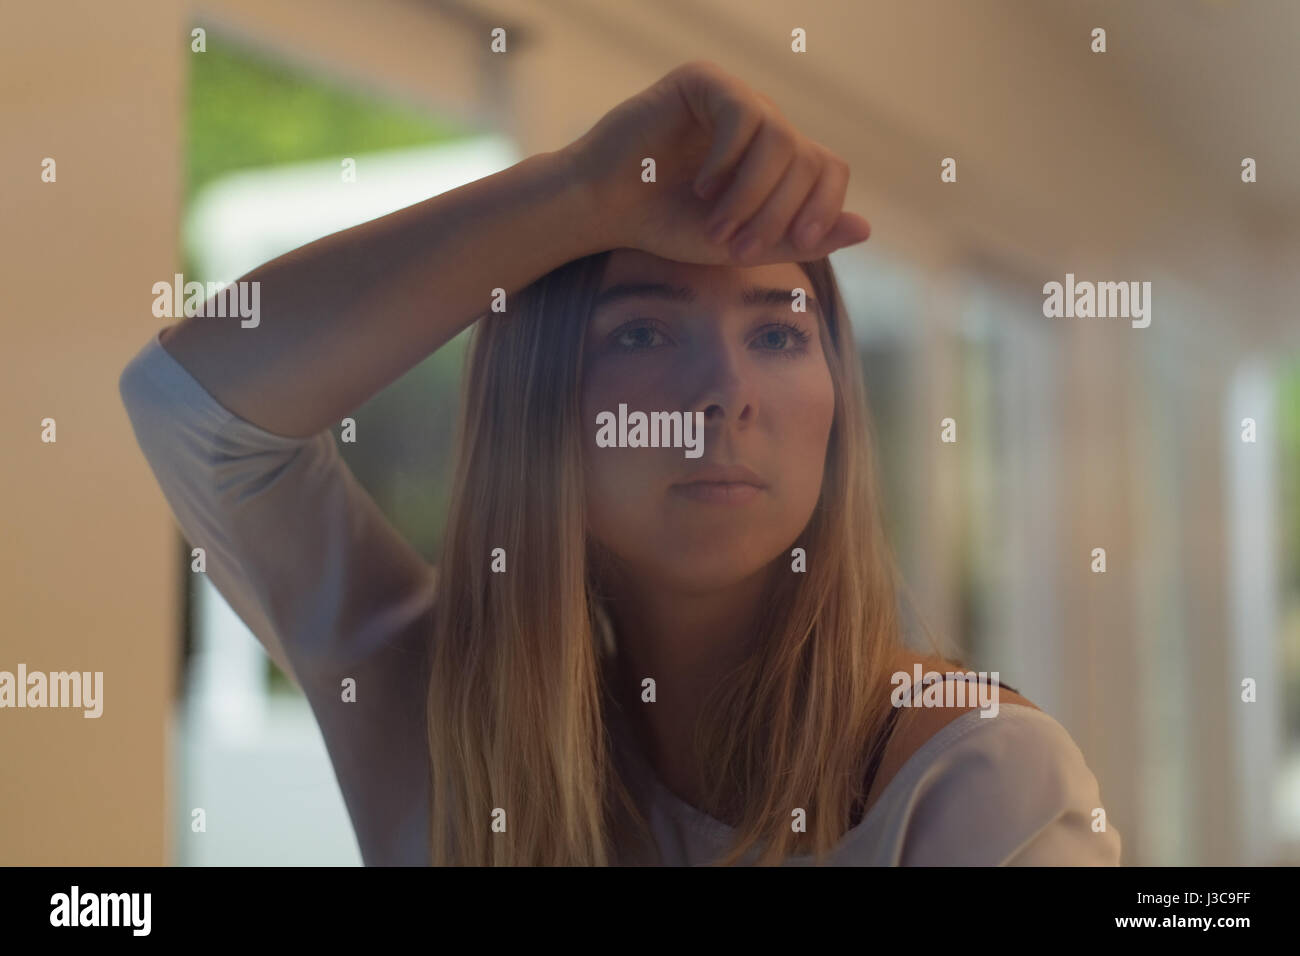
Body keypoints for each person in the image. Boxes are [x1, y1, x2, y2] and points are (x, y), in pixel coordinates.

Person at [119, 60, 1121, 866]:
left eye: (776, 334)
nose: (723, 391)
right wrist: (582, 190)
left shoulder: (976, 777)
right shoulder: (438, 709)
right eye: (642, 335)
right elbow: (193, 406)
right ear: (540, 415)